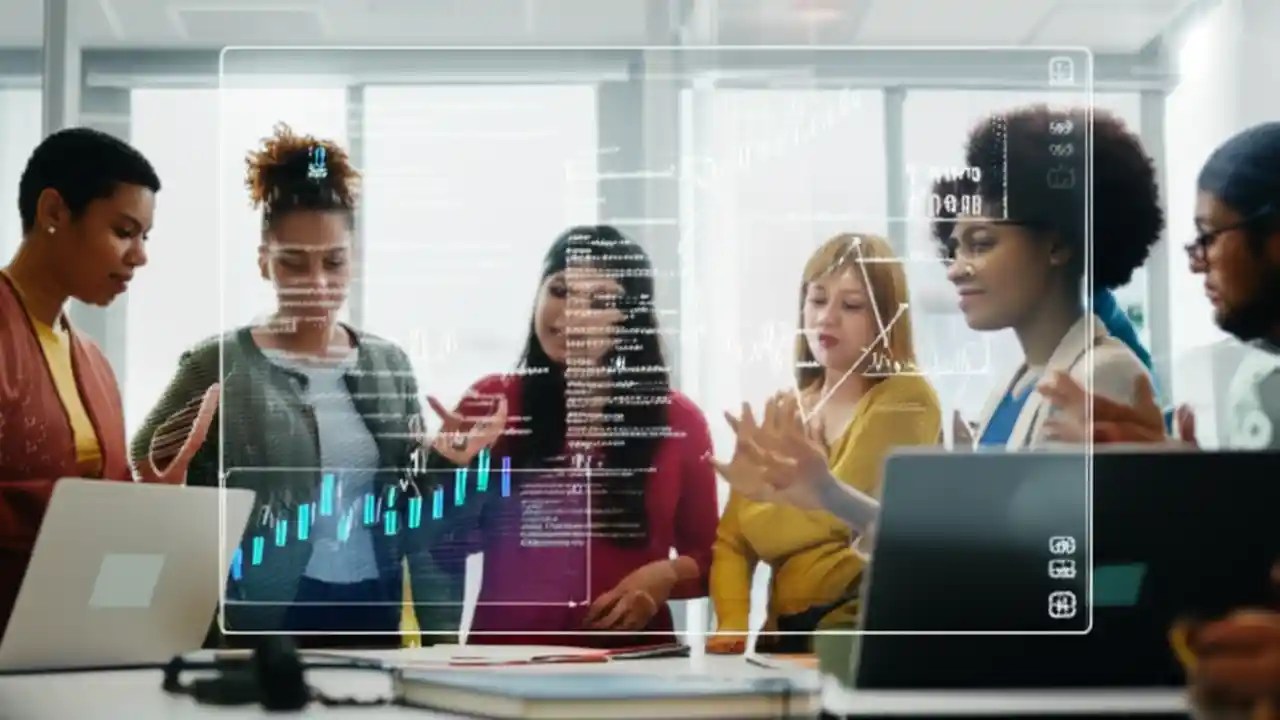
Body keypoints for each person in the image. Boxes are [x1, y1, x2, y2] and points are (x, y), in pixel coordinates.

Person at [131, 124, 451, 646]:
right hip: (267, 613)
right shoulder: (218, 362)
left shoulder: (389, 364)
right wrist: (173, 489)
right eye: (293, 263)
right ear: (264, 261)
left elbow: (413, 497)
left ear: (355, 262)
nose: (317, 283)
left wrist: (451, 461)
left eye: (333, 262)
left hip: (373, 607)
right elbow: (146, 471)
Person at [410, 225, 718, 647]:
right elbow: (439, 550)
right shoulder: (491, 401)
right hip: (508, 666)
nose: (571, 313)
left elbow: (714, 561)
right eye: (559, 290)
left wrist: (664, 576)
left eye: (600, 301)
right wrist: (449, 470)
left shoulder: (681, 422)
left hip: (633, 666)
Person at [0, 127, 215, 638]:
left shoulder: (93, 363)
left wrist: (145, 505)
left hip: (65, 644)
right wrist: (86, 515)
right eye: (123, 231)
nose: (139, 255)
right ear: (54, 213)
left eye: (145, 237)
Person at [708, 233, 942, 654]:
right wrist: (730, 623)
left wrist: (752, 516)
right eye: (817, 300)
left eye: (851, 305)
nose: (826, 318)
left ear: (886, 317)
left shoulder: (906, 397)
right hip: (783, 638)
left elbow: (836, 512)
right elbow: (730, 542)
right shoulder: (787, 406)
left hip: (858, 628)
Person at [932, 105, 1164, 448]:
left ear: (1057, 244)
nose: (955, 270)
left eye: (981, 244)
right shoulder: (1014, 385)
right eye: (954, 251)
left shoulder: (1099, 376)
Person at [1042, 121, 1280, 449]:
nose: (1197, 263)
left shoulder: (1102, 366)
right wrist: (1184, 466)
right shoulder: (1255, 376)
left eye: (1208, 237)